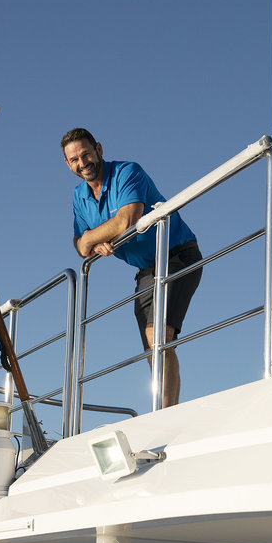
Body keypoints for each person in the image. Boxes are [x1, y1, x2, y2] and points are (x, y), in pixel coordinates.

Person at [62, 128, 202, 409]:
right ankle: (166, 410)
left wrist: (95, 236)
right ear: (68, 164)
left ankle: (165, 413)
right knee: (153, 348)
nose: (82, 162)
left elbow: (126, 220)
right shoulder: (79, 195)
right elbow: (79, 245)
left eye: (86, 153)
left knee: (158, 335)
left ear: (99, 149)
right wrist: (93, 239)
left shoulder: (127, 171)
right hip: (146, 270)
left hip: (177, 254)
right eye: (74, 159)